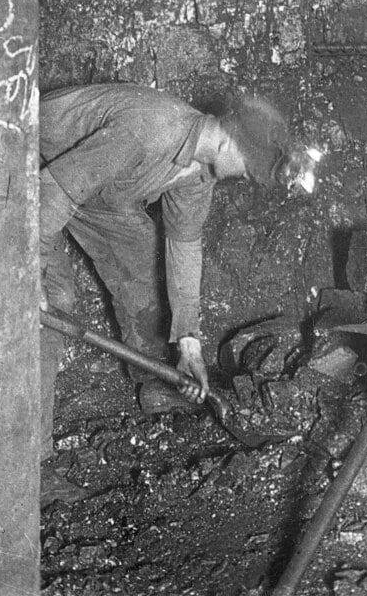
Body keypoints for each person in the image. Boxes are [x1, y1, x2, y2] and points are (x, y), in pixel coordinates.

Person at [38, 83, 319, 505]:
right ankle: (30, 466)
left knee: (145, 270)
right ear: (227, 138)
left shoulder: (198, 171)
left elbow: (183, 246)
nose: (240, 178)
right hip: (37, 172)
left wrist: (188, 341)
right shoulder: (148, 130)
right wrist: (26, 277)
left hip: (99, 196)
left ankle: (155, 380)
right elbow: (51, 193)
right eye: (244, 169)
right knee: (51, 306)